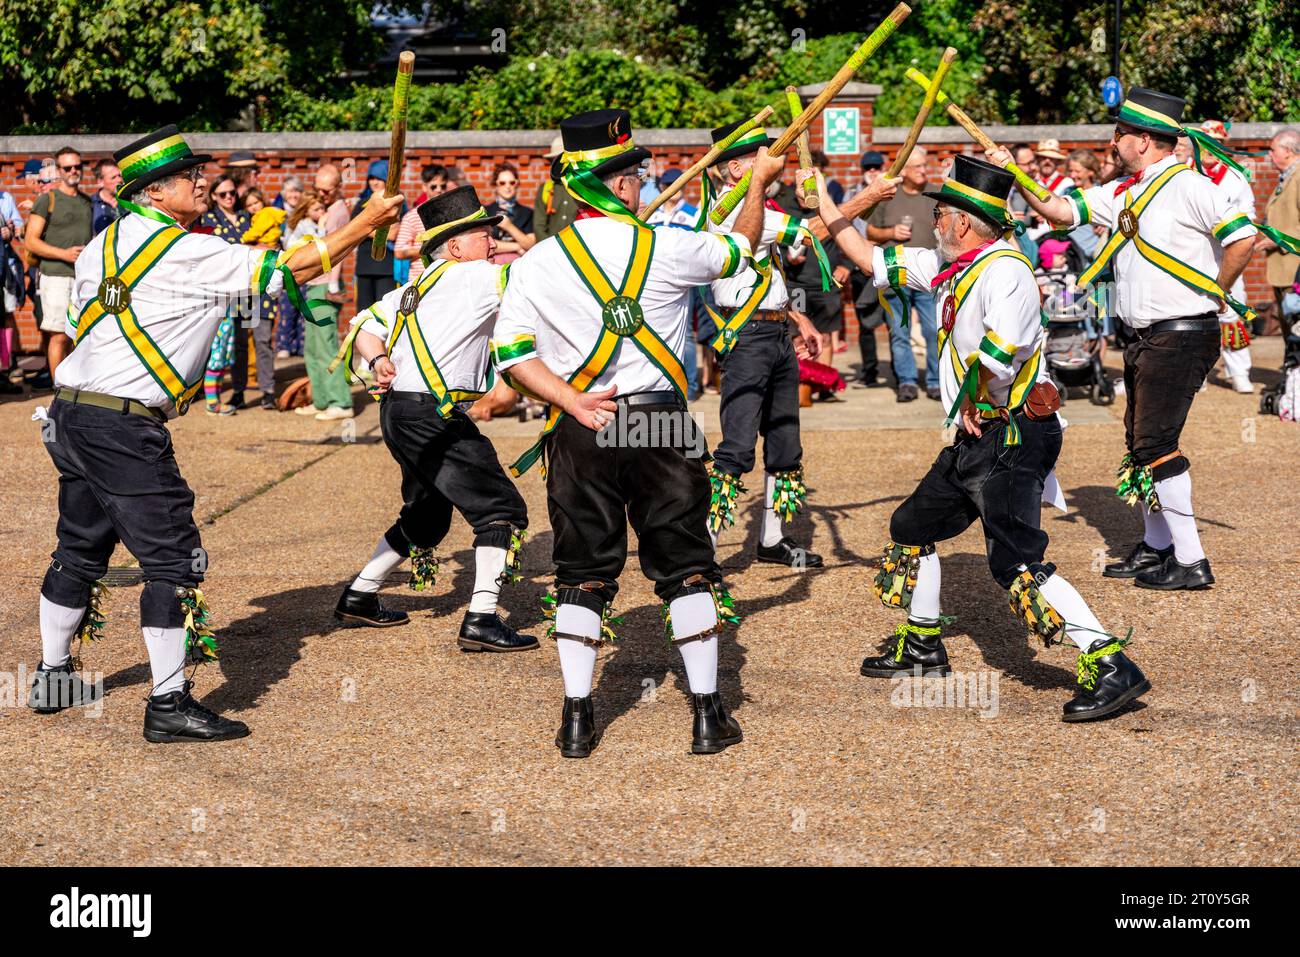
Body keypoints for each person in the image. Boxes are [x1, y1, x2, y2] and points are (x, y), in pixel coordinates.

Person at [31, 125, 401, 741]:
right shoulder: (186, 250)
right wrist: (366, 222)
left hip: (71, 413)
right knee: (173, 559)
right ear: (153, 193)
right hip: (123, 425)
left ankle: (52, 674)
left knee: (79, 548)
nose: (203, 181)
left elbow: (81, 323)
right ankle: (168, 705)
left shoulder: (102, 245)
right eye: (189, 176)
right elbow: (292, 267)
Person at [817, 156, 1150, 722]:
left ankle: (1112, 662)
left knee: (1015, 562)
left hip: (1014, 432)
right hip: (978, 434)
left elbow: (1005, 347)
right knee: (911, 526)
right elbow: (865, 254)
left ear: (965, 223)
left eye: (941, 214)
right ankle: (924, 645)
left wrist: (973, 394)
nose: (935, 222)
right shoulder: (950, 266)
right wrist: (832, 206)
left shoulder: (1007, 270)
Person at [492, 108, 773, 758]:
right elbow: (741, 247)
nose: (643, 186)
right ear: (616, 186)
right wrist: (758, 183)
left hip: (581, 424)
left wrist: (574, 400)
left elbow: (511, 354)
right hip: (661, 421)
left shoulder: (535, 263)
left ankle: (576, 720)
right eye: (637, 176)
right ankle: (707, 716)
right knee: (686, 568)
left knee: (582, 573)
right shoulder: (671, 244)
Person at [994, 86, 1257, 591]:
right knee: (1141, 442)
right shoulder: (1120, 191)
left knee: (1156, 442)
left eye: (1119, 133)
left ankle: (1191, 560)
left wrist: (1216, 291)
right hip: (1143, 334)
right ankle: (1157, 548)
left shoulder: (1191, 186)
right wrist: (1015, 172)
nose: (1113, 141)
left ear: (1143, 138)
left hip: (1182, 330)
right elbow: (1058, 210)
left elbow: (1243, 237)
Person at [336, 186, 535, 652]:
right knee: (500, 509)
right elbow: (540, 277)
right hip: (431, 414)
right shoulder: (474, 278)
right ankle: (482, 618)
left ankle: (360, 595)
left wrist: (377, 359)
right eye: (484, 235)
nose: (493, 244)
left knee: (427, 516)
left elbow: (361, 324)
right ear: (454, 246)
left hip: (398, 411)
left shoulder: (411, 289)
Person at [866, 147, 940, 401]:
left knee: (934, 329)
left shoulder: (935, 194)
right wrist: (890, 234)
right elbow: (871, 232)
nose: (923, 171)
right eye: (917, 167)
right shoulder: (889, 193)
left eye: (924, 166)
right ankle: (907, 381)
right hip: (896, 270)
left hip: (930, 272)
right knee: (899, 331)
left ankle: (935, 381)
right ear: (904, 171)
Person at [1191, 121, 1258, 394]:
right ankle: (1197, 372)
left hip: (1229, 254)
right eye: (1204, 142)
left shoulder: (1236, 177)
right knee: (1193, 313)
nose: (1209, 149)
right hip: (1192, 255)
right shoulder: (1185, 172)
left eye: (1215, 143)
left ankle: (1239, 371)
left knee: (1232, 311)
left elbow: (1249, 217)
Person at [24, 146, 92, 379]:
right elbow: (31, 242)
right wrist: (63, 254)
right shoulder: (47, 200)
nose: (74, 170)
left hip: (81, 278)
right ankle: (59, 390)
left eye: (77, 166)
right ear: (59, 170)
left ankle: (71, 388)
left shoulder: (86, 202)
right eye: (68, 167)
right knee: (59, 335)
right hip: (54, 275)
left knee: (77, 335)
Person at [299, 162, 357, 421]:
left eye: (327, 190)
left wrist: (334, 283)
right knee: (312, 347)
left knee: (326, 345)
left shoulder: (339, 212)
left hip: (326, 284)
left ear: (338, 187)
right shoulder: (329, 211)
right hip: (314, 283)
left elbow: (340, 250)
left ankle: (340, 402)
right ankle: (321, 399)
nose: (322, 194)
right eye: (318, 189)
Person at [844, 149, 888, 387]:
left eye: (876, 167)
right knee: (864, 323)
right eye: (868, 168)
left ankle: (901, 375)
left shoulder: (891, 192)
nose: (872, 172)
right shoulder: (853, 194)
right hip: (859, 265)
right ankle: (869, 371)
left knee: (894, 321)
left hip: (886, 259)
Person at [276, 190, 326, 358]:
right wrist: (322, 228)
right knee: (289, 311)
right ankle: (284, 345)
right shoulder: (304, 225)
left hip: (307, 275)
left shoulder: (311, 224)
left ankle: (299, 346)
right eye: (317, 209)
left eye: (322, 209)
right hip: (294, 273)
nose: (321, 213)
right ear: (306, 209)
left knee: (302, 311)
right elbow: (292, 243)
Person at [1262, 129, 1300, 341]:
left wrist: (1278, 240)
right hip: (1285, 269)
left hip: (1295, 269)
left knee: (1296, 330)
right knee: (1290, 330)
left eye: (1273, 150)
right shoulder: (1286, 177)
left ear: (1287, 151)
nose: (1270, 155)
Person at [394, 164, 450, 285]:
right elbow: (399, 252)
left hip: (449, 277)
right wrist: (431, 249)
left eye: (443, 186)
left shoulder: (453, 212)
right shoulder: (413, 216)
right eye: (434, 186)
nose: (439, 189)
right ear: (424, 187)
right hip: (420, 280)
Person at [484, 162, 535, 264]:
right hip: (493, 266)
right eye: (502, 183)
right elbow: (486, 244)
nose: (508, 186)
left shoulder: (527, 212)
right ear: (496, 184)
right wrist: (518, 246)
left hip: (520, 265)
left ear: (517, 183)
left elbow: (531, 244)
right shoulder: (486, 211)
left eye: (512, 182)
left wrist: (508, 226)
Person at [533, 136, 578, 241]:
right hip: (551, 247)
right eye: (555, 160)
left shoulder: (581, 186)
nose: (559, 164)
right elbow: (538, 226)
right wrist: (550, 248)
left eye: (562, 160)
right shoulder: (546, 189)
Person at [89, 160, 121, 236]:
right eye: (113, 177)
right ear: (100, 182)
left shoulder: (130, 202)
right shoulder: (91, 205)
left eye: (119, 176)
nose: (119, 180)